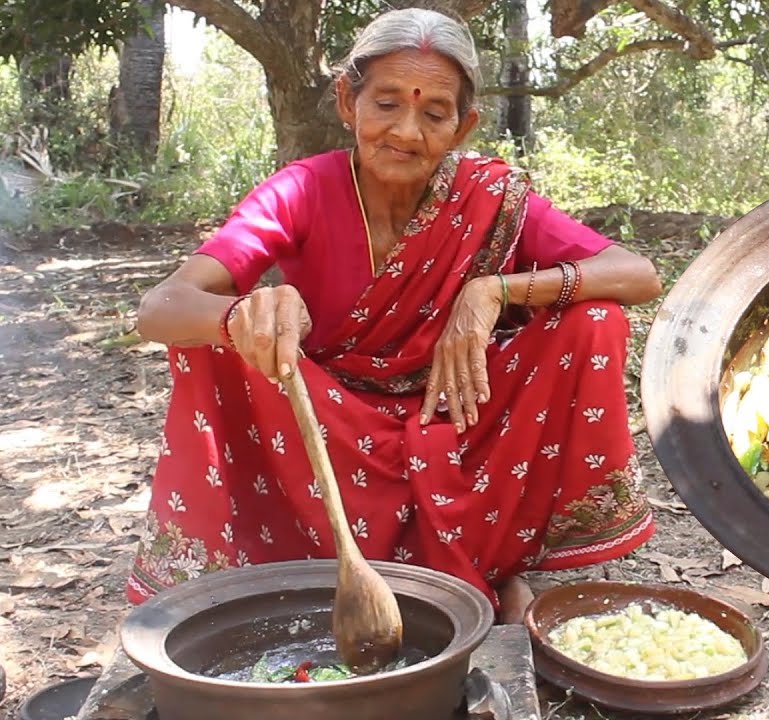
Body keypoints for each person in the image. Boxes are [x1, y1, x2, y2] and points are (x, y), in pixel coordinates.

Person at [126, 8, 662, 623]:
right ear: (346, 102)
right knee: (209, 343)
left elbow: (636, 274)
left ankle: (491, 561)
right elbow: (161, 308)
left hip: (462, 417)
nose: (407, 132)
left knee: (594, 320)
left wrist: (495, 290)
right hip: (330, 430)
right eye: (385, 104)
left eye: (434, 114)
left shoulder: (490, 198)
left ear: (464, 128)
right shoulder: (302, 190)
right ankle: (343, 565)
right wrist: (244, 315)